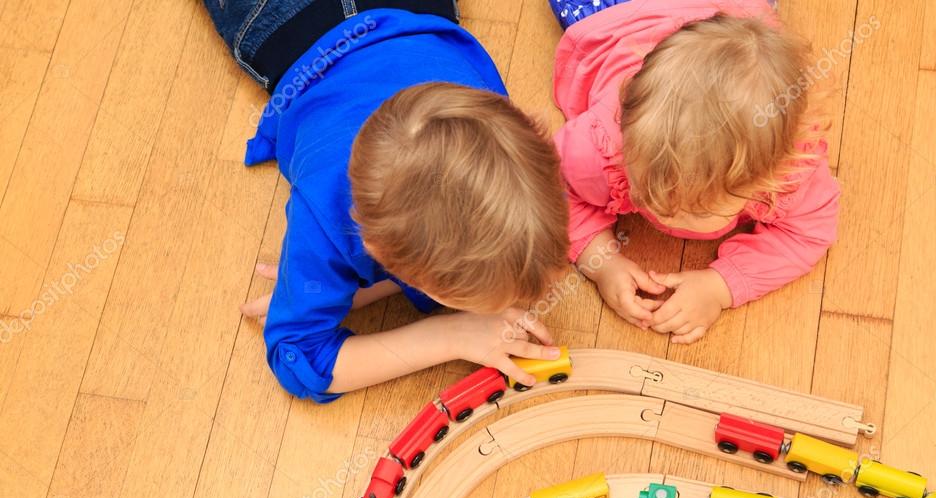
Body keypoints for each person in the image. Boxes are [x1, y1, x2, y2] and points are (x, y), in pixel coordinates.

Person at [201, 1, 570, 402]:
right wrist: (451, 335)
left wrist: (338, 291)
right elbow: (299, 358)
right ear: (373, 249)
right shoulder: (325, 217)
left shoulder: (493, 122)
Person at [549, 0, 838, 343]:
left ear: (764, 181)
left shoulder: (789, 175)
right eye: (643, 190)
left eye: (697, 208)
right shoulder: (599, 148)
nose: (663, 213)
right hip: (619, 16)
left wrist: (721, 286)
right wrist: (599, 261)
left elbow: (807, 233)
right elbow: (550, 187)